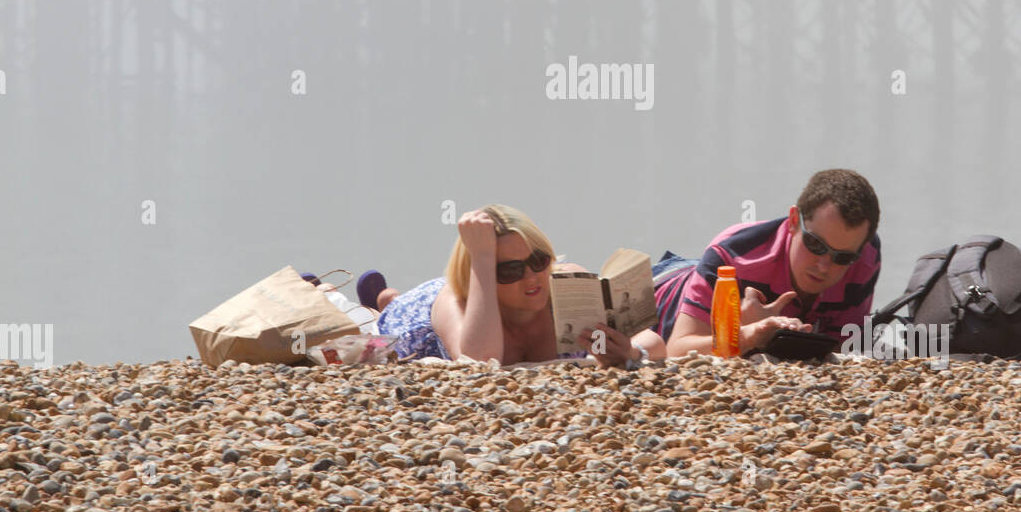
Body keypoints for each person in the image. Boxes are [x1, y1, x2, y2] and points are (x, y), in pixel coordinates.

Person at [367, 204, 640, 368]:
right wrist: (483, 259)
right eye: (510, 270)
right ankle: (384, 302)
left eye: (538, 260)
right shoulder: (457, 301)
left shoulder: (569, 286)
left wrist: (624, 352)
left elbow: (653, 342)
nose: (531, 277)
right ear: (482, 272)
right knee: (378, 318)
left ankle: (384, 297)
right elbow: (481, 362)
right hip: (420, 310)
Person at [649, 168, 881, 358]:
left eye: (843, 257)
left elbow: (840, 349)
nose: (824, 265)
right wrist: (747, 335)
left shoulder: (866, 257)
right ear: (793, 221)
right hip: (662, 293)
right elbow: (676, 350)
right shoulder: (733, 256)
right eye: (815, 245)